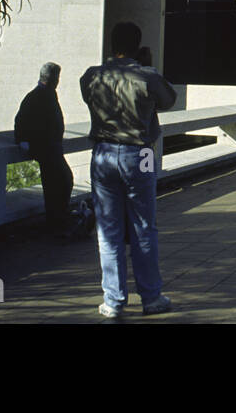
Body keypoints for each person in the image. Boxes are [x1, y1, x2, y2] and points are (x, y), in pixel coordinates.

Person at [80, 21, 177, 318]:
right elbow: (168, 101)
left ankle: (113, 299)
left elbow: (88, 98)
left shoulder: (91, 76)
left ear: (112, 45)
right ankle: (150, 297)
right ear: (137, 46)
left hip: (104, 153)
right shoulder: (146, 75)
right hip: (140, 153)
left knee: (109, 230)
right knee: (143, 225)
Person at [14, 62, 73, 236]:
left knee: (59, 183)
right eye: (57, 77)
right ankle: (56, 224)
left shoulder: (46, 94)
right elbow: (20, 121)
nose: (58, 81)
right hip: (46, 148)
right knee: (60, 182)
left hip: (52, 148)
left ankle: (57, 222)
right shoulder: (36, 96)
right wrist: (22, 140)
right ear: (52, 78)